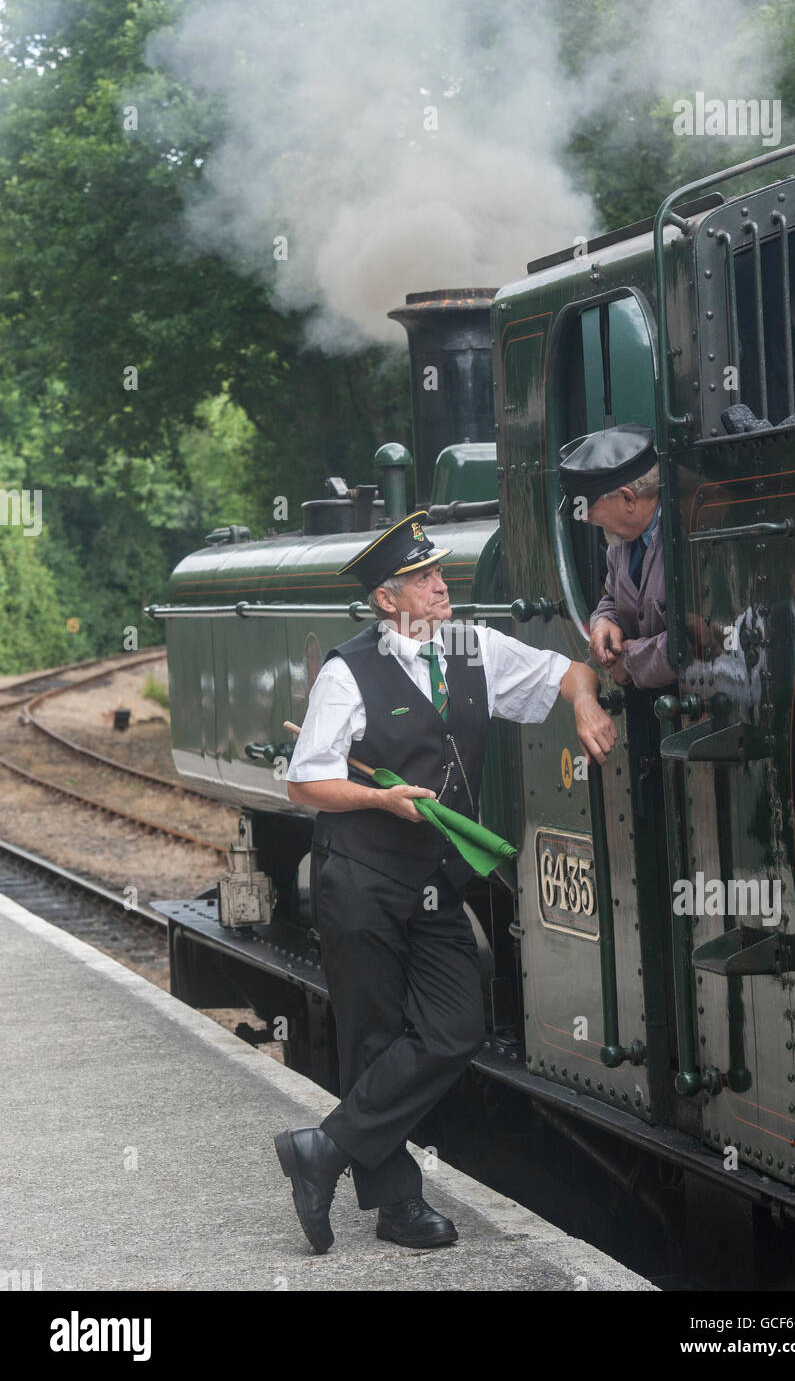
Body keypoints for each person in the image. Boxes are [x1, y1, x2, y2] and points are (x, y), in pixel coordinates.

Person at [277, 510, 614, 1254]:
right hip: (359, 878)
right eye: (422, 580)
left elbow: (568, 672)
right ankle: (397, 1206)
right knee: (374, 1038)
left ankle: (322, 1150)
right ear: (385, 600)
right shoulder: (347, 671)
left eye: (437, 574)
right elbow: (307, 782)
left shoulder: (474, 649)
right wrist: (379, 799)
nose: (439, 587)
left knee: (457, 1026)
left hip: (434, 881)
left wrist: (584, 703)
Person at [559, 424, 678, 693]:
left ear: (628, 499)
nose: (585, 517)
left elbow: (698, 641)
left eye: (589, 507)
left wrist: (632, 661)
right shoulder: (620, 539)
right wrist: (604, 620)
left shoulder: (687, 537)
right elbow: (613, 597)